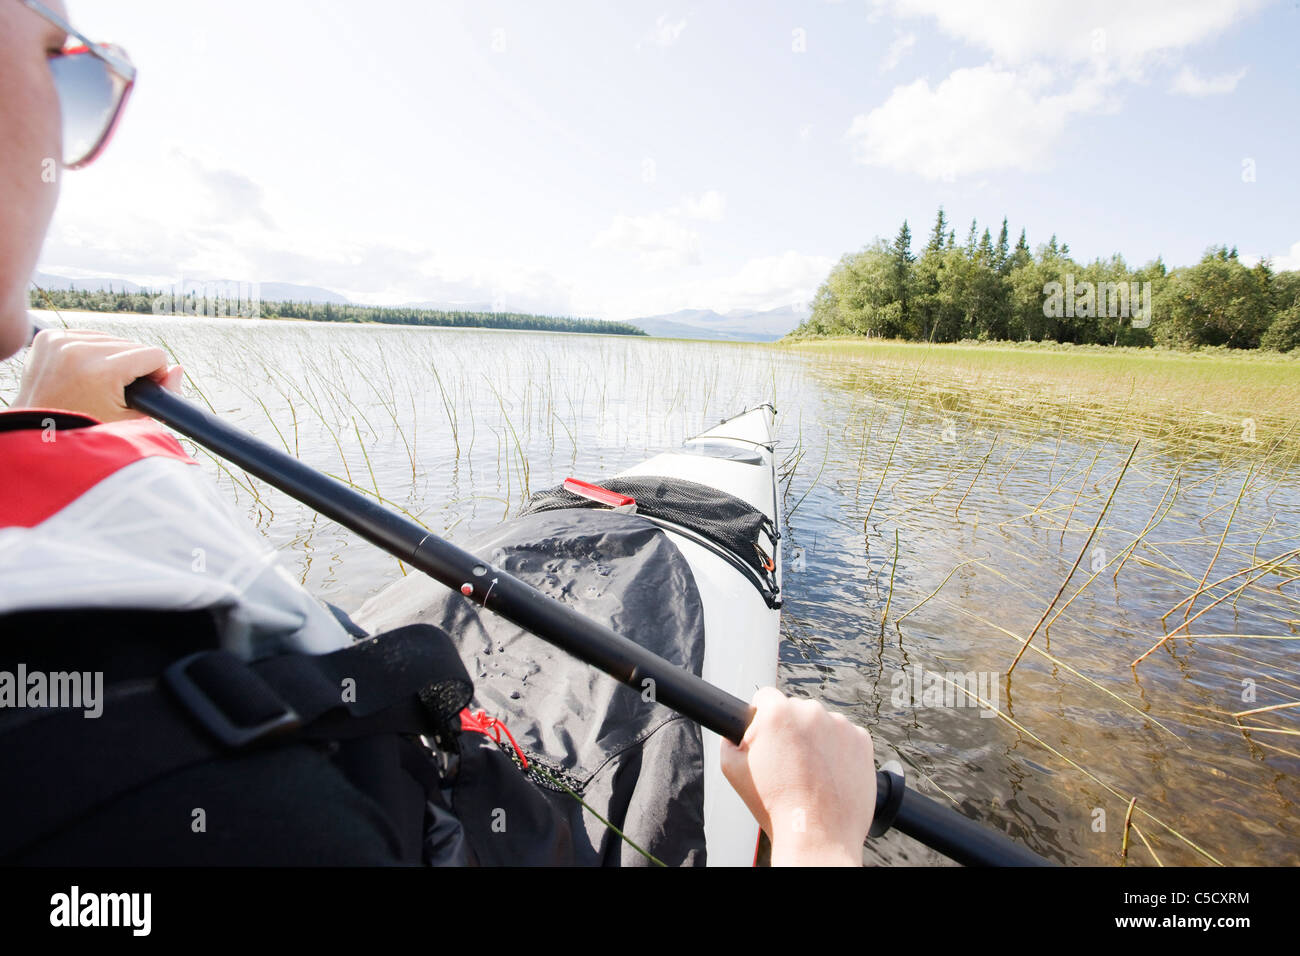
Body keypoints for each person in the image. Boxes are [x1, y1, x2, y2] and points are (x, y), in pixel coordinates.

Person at [0, 0, 877, 866]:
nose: (79, 142)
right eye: (66, 64)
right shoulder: (187, 807)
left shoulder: (52, 518)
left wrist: (51, 434)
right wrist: (814, 831)